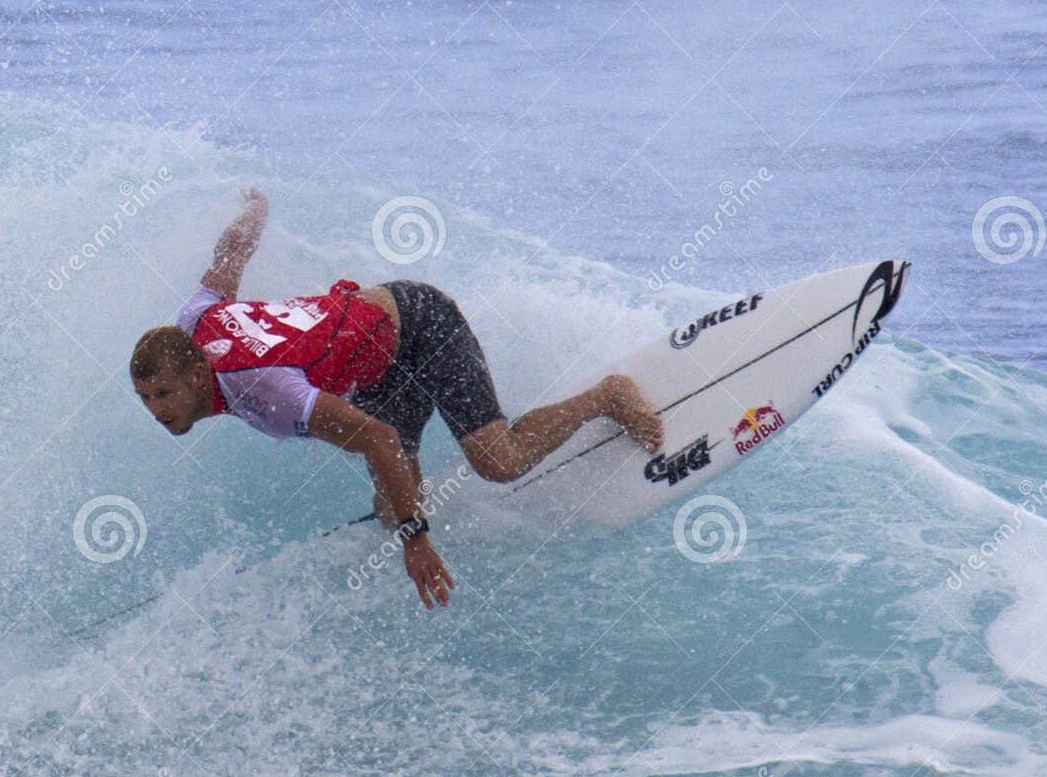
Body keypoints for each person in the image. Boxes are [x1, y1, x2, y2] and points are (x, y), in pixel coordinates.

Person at [129, 188, 665, 609]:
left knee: (496, 463)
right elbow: (229, 257)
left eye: (163, 394)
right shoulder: (194, 322)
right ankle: (417, 508)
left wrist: (417, 542)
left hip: (423, 326)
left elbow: (377, 438)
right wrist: (254, 213)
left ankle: (607, 396)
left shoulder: (266, 389)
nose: (157, 410)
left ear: (198, 376)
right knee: (391, 506)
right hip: (375, 361)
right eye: (147, 397)